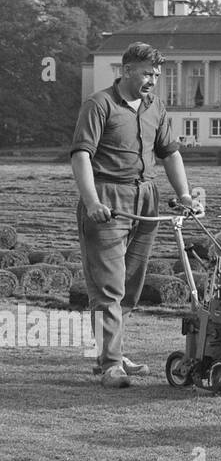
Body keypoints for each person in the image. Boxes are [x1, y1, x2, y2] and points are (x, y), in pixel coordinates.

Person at [71, 42, 196, 387]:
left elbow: (170, 154)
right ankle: (109, 365)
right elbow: (81, 156)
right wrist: (92, 201)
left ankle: (114, 351)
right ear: (126, 71)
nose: (153, 80)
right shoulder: (99, 105)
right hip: (108, 199)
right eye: (146, 73)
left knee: (130, 284)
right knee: (108, 285)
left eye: (157, 74)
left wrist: (184, 194)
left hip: (147, 197)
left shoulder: (156, 106)